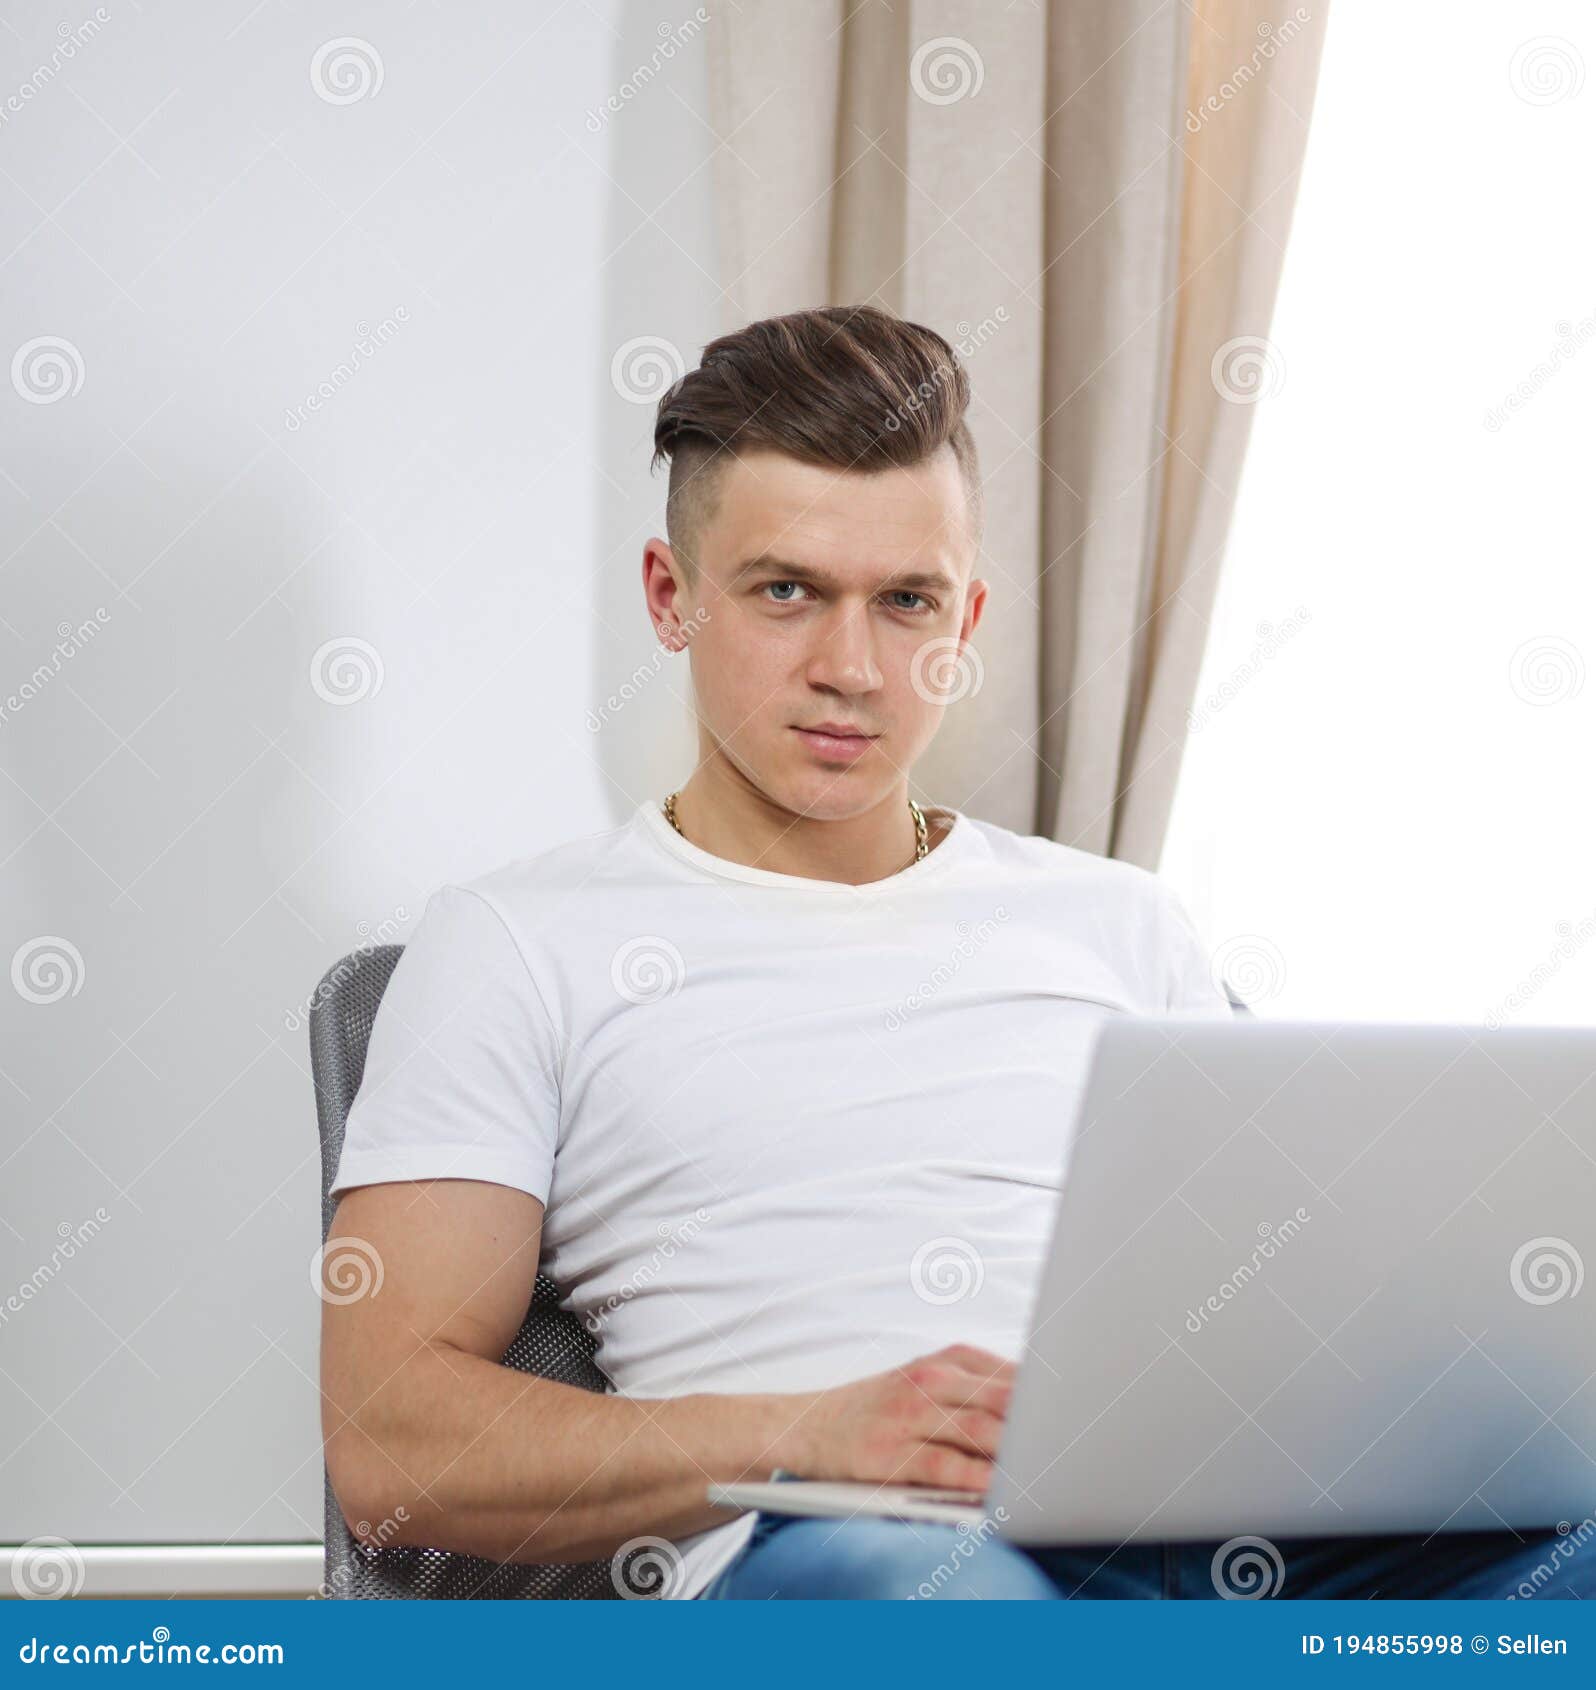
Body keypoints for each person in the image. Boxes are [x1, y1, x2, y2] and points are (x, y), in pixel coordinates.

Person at [319, 305, 1585, 1602]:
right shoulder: (518, 943)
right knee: (952, 1602)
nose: (853, 667)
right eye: (786, 591)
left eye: (906, 603)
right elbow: (389, 1444)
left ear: (965, 621)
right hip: (858, 1551)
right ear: (671, 596)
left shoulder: (1123, 923)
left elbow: (1270, 1319)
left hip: (1205, 1538)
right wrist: (808, 1435)